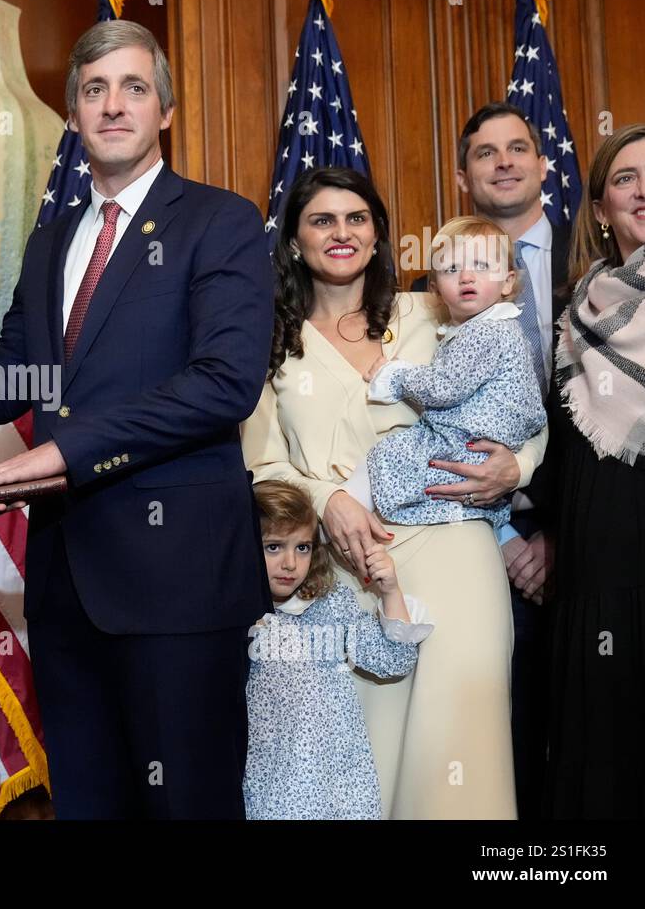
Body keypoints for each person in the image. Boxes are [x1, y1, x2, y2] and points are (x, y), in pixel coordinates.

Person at [0, 20, 274, 818]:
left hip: (179, 587)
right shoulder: (54, 238)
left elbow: (224, 385)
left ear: (166, 108)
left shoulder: (220, 222)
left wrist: (57, 458)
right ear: (72, 116)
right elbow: (7, 386)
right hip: (67, 587)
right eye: (94, 90)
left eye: (133, 87)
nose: (113, 104)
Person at [242, 166, 545, 818]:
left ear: (379, 236)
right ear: (295, 240)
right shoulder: (267, 341)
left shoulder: (432, 310)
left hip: (454, 550)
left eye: (357, 219)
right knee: (362, 758)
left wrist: (515, 468)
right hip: (348, 570)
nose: (342, 233)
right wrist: (328, 502)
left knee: (458, 742)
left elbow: (520, 401)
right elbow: (262, 465)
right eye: (322, 220)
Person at [414, 103, 569, 815]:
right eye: (485, 152)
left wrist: (549, 511)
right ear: (461, 174)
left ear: (544, 164)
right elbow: (423, 422)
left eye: (518, 148)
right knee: (488, 717)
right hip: (472, 527)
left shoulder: (596, 260)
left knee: (590, 723)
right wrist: (508, 532)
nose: (503, 161)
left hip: (595, 523)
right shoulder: (429, 297)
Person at [546, 123, 645, 818]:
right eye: (626, 178)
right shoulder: (576, 311)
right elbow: (561, 445)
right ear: (600, 206)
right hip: (593, 568)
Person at [244, 480, 429, 820]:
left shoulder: (331, 605)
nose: (290, 563)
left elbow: (392, 659)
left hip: (337, 785)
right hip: (270, 783)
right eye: (274, 547)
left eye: (302, 548)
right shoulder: (235, 618)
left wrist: (390, 591)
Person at [361, 217, 546, 529]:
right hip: (479, 455)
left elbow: (444, 388)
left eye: (482, 266)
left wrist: (396, 374)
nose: (466, 277)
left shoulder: (483, 331)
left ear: (507, 282)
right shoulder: (498, 326)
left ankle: (348, 523)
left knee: (386, 458)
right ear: (434, 289)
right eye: (451, 269)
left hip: (466, 449)